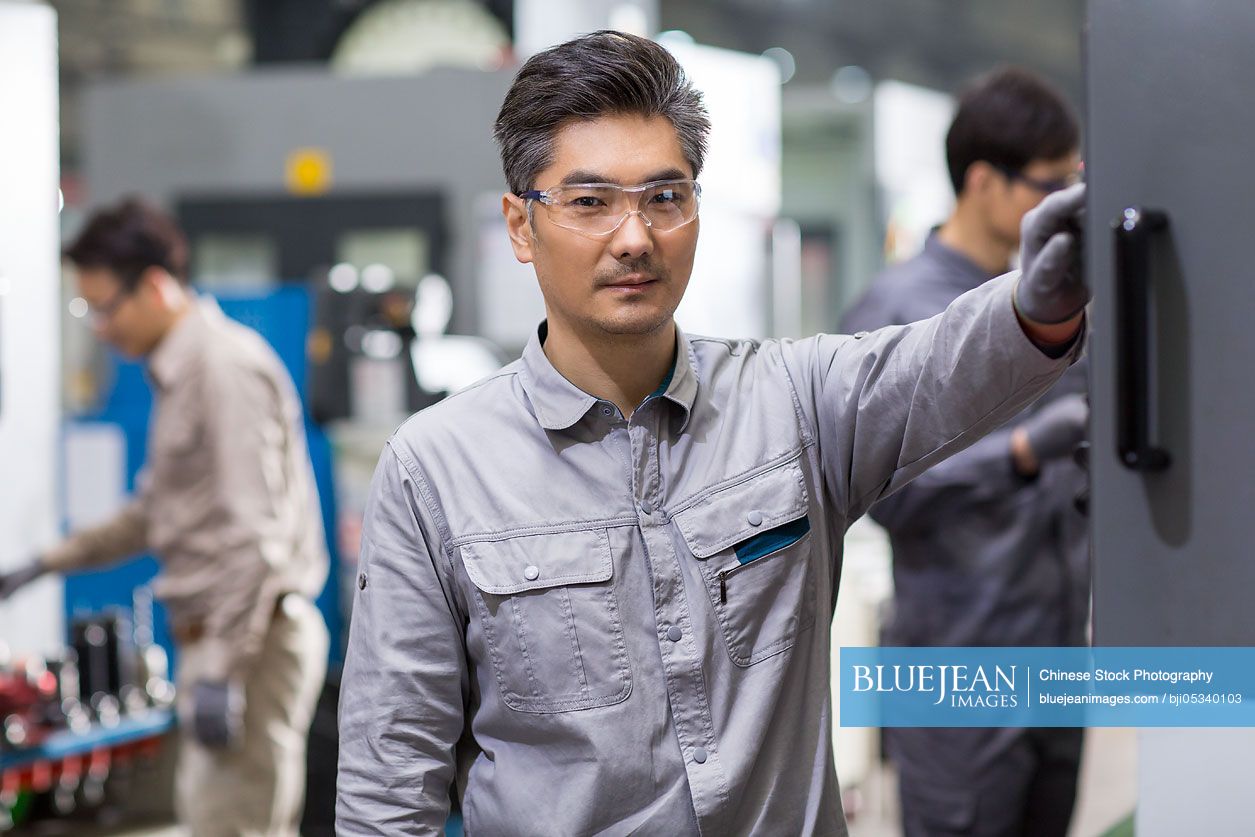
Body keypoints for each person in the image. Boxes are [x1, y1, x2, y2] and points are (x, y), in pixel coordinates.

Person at [335, 32, 1087, 836]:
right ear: (521, 226)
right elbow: (391, 776)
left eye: (664, 197)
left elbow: (934, 365)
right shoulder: (436, 468)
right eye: (590, 202)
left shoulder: (791, 403)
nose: (635, 237)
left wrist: (1036, 307)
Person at [0, 198, 329, 836]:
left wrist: (225, 675)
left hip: (250, 639)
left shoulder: (221, 369)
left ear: (153, 285)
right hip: (229, 640)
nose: (98, 326)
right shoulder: (180, 373)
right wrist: (44, 563)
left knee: (231, 827)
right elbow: (155, 513)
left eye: (103, 307)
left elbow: (253, 538)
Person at [841, 67, 1088, 837]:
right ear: (983, 181)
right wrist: (1018, 451)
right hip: (954, 668)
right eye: (1047, 186)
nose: (1061, 206)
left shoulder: (1058, 294)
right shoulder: (898, 311)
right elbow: (879, 489)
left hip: (1054, 652)